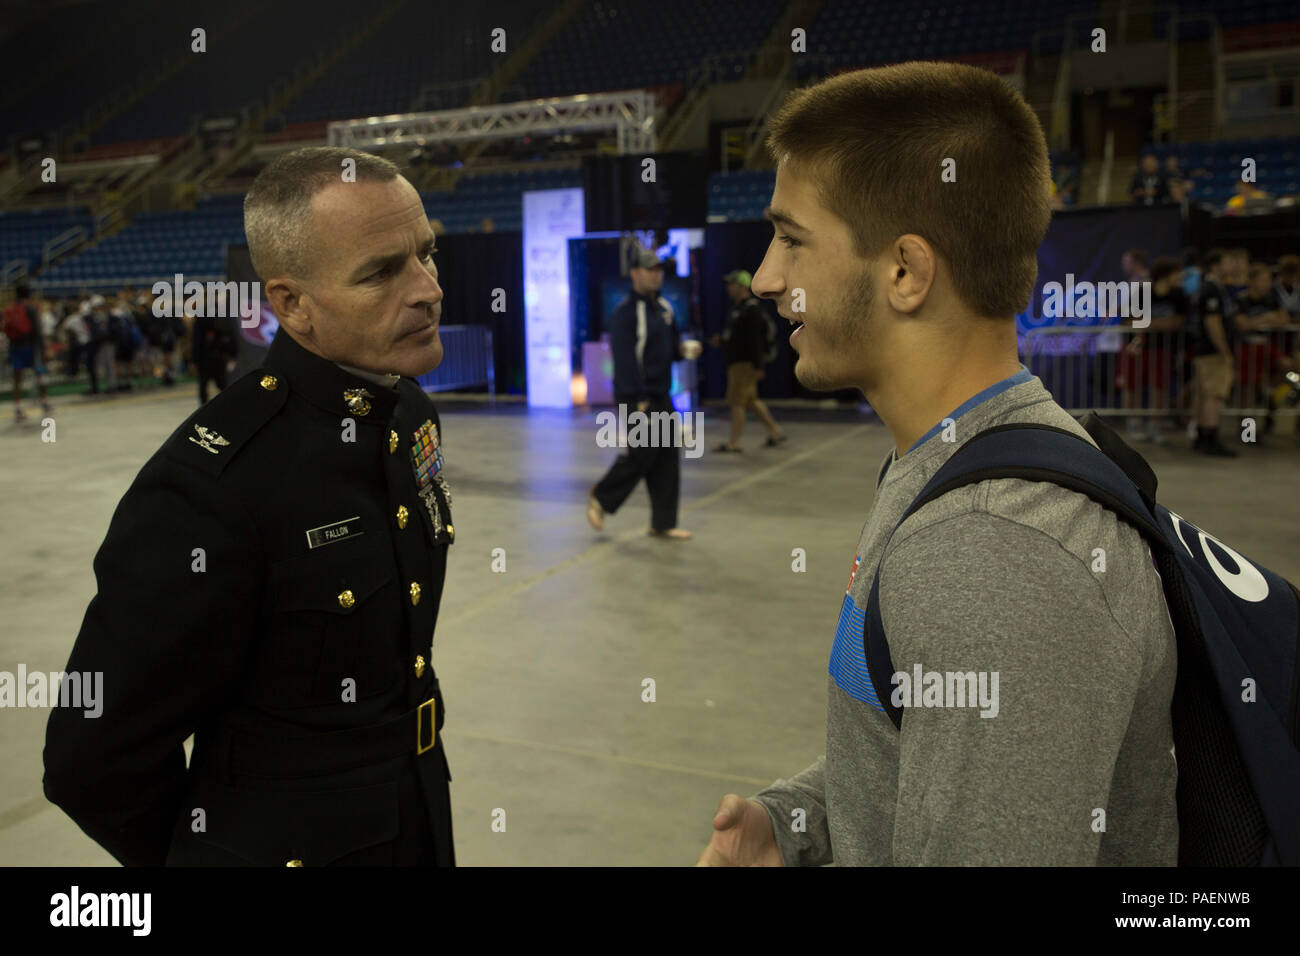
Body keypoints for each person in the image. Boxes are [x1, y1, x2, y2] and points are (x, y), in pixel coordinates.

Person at [696, 61, 1177, 866]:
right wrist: (799, 826)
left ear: (906, 273)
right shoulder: (945, 463)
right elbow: (914, 741)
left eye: (790, 238)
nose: (771, 279)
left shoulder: (995, 551)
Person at [44, 145, 457, 867]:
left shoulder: (407, 416)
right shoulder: (214, 486)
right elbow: (92, 756)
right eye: (382, 271)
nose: (427, 289)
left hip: (413, 817)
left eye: (426, 254)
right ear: (292, 304)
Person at [587, 246, 702, 538]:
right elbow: (624, 359)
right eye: (649, 269)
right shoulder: (626, 314)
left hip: (661, 394)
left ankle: (663, 522)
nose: (656, 274)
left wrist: (683, 350)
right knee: (643, 453)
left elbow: (670, 349)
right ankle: (602, 496)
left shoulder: (664, 309)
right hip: (636, 396)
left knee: (665, 455)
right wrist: (637, 398)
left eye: (658, 269)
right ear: (635, 274)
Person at [712, 269, 785, 452]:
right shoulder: (738, 309)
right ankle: (775, 431)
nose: (728, 288)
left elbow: (755, 340)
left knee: (737, 402)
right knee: (750, 401)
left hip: (744, 364)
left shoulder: (751, 309)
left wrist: (758, 365)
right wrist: (721, 341)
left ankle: (734, 442)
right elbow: (737, 337)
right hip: (738, 362)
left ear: (742, 286)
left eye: (732, 284)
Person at [1120, 256, 1187, 445]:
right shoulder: (1143, 292)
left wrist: (1149, 324)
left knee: (1160, 387)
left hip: (1163, 348)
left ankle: (1155, 425)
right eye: (1177, 273)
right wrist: (1158, 324)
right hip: (1138, 347)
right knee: (1132, 386)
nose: (1180, 277)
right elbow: (1128, 320)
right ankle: (1134, 423)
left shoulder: (1179, 295)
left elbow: (1178, 321)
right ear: (1165, 275)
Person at [1232, 262, 1294, 430]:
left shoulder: (1271, 298)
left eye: (1268, 280)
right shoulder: (1242, 299)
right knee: (1247, 389)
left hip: (1266, 346)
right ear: (1252, 281)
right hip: (1246, 346)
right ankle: (1247, 431)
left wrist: (1259, 321)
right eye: (1263, 280)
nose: (1266, 284)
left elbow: (1284, 319)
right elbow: (1242, 324)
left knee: (1288, 366)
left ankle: (1269, 393)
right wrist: (1267, 318)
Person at [1189, 249, 1238, 456]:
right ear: (1216, 264)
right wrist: (1224, 350)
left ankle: (1202, 436)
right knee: (1213, 395)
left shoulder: (1214, 287)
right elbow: (1212, 322)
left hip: (1206, 350)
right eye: (1229, 260)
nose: (1233, 265)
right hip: (1211, 351)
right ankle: (1210, 437)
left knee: (1203, 395)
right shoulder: (1211, 289)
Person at [3, 282, 53, 421]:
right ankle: (44, 403)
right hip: (31, 347)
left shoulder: (10, 309)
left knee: (17, 379)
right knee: (40, 374)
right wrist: (44, 349)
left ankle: (17, 408)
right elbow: (37, 331)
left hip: (15, 347)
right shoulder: (30, 309)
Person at [192, 307, 237, 403]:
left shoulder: (202, 321)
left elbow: (196, 342)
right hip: (215, 357)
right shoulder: (220, 319)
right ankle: (229, 402)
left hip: (208, 358)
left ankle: (206, 406)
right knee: (220, 385)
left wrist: (195, 360)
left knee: (208, 386)